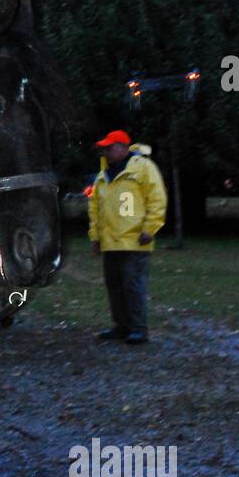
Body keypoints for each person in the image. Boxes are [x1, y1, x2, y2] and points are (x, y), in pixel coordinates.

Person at [88, 129, 167, 345]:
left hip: (135, 241)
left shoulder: (143, 168)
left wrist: (149, 229)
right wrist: (96, 237)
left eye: (109, 147)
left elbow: (157, 200)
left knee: (133, 285)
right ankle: (121, 326)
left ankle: (138, 329)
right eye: (103, 148)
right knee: (114, 286)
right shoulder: (102, 176)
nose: (105, 152)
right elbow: (95, 208)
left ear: (123, 147)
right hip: (110, 242)